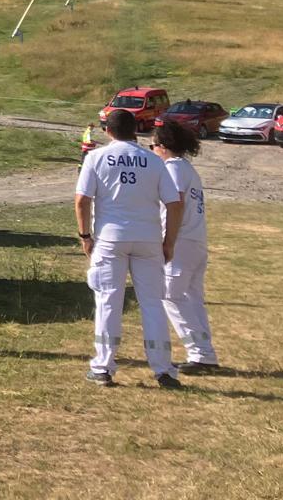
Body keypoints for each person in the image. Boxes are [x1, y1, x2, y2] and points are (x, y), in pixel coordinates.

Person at [74, 108, 183, 387]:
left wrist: (85, 235)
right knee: (152, 304)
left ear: (107, 131)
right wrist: (168, 242)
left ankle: (103, 366)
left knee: (109, 300)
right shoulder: (154, 161)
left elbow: (82, 200)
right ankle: (163, 369)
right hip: (147, 238)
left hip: (111, 238)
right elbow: (174, 203)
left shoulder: (96, 157)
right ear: (135, 130)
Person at [152, 121, 218, 373]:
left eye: (154, 145)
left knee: (170, 296)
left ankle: (199, 353)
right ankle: (205, 354)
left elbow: (175, 204)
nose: (153, 150)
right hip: (194, 240)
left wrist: (167, 240)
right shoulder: (186, 168)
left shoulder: (173, 169)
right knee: (192, 298)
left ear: (163, 147)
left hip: (182, 242)